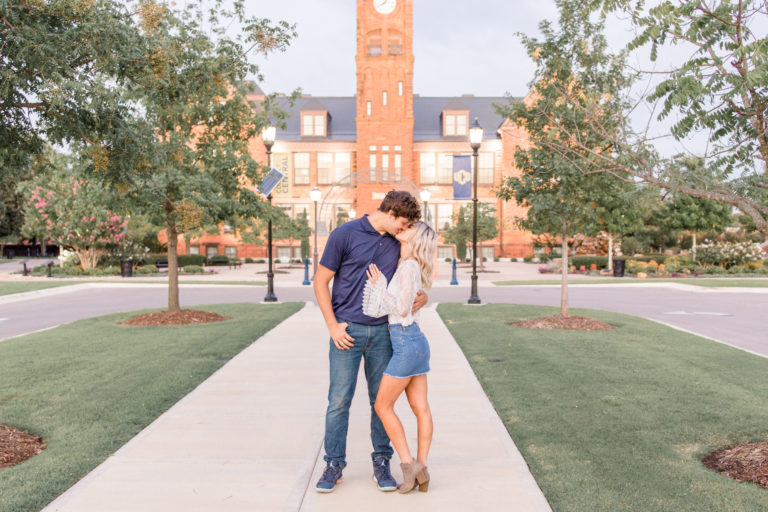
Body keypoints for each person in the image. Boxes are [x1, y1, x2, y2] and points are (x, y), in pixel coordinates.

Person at [313, 190, 426, 493]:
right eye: (402, 223)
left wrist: (422, 297)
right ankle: (334, 464)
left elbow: (410, 282)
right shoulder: (344, 234)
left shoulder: (398, 242)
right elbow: (320, 281)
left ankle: (382, 462)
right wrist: (333, 326)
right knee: (338, 401)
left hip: (384, 334)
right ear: (390, 213)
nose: (404, 230)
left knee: (382, 403)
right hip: (347, 332)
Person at [364, 220, 437, 493]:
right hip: (417, 341)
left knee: (383, 406)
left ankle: (409, 465)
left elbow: (402, 308)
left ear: (416, 237)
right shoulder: (410, 265)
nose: (402, 228)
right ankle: (423, 467)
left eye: (408, 227)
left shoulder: (407, 267)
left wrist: (378, 285)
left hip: (405, 341)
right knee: (421, 408)